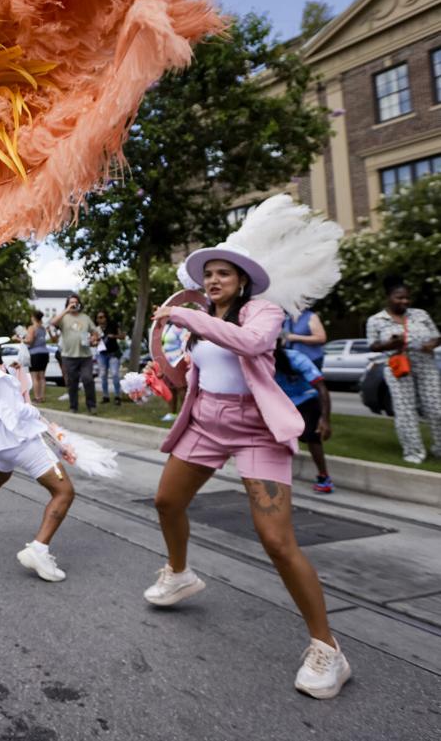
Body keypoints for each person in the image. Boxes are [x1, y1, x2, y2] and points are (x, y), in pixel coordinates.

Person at [146, 240, 350, 699]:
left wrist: (184, 316)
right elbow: (192, 369)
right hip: (205, 422)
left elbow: (253, 344)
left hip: (255, 428)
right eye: (209, 274)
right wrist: (159, 372)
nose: (214, 280)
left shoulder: (263, 312)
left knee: (277, 542)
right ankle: (178, 573)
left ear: (242, 281)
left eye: (224, 273)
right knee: (166, 501)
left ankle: (328, 649)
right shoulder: (202, 322)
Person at [0, 323, 75, 582]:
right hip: (22, 442)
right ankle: (39, 550)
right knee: (63, 492)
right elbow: (16, 412)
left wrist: (12, 377)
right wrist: (37, 414)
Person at [367, 277, 441, 464]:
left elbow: (436, 337)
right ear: (389, 297)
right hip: (398, 366)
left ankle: (439, 448)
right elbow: (373, 345)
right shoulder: (376, 320)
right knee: (405, 411)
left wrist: (431, 344)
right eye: (399, 298)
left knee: (437, 408)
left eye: (407, 298)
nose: (404, 301)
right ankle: (414, 453)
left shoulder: (420, 315)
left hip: (425, 364)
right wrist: (390, 343)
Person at [274, 339, 334, 493]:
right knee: (275, 437)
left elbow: (321, 388)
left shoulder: (296, 358)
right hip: (281, 404)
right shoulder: (259, 361)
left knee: (310, 435)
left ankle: (324, 477)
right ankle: (273, 473)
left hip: (306, 400)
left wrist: (325, 420)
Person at [51, 294, 98, 414]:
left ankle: (91, 405)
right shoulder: (64, 317)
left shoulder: (85, 317)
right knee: (72, 382)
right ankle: (73, 407)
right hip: (68, 356)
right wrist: (66, 310)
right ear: (67, 304)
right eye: (71, 302)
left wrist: (93, 338)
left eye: (75, 302)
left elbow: (95, 332)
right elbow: (53, 323)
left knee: (88, 379)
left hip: (85, 355)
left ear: (79, 304)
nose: (73, 304)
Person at [95, 310, 124, 405]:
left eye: (102, 317)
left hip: (113, 353)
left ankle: (117, 396)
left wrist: (114, 336)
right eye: (98, 317)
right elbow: (93, 341)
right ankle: (105, 396)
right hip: (102, 354)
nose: (100, 319)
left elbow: (122, 336)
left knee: (115, 374)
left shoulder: (113, 325)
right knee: (103, 375)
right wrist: (95, 341)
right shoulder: (96, 329)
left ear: (106, 317)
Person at [22, 310, 50, 403]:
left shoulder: (32, 328)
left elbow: (30, 341)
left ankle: (37, 398)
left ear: (33, 317)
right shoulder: (42, 328)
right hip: (45, 353)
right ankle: (42, 397)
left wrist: (19, 339)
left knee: (35, 377)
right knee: (42, 377)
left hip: (35, 354)